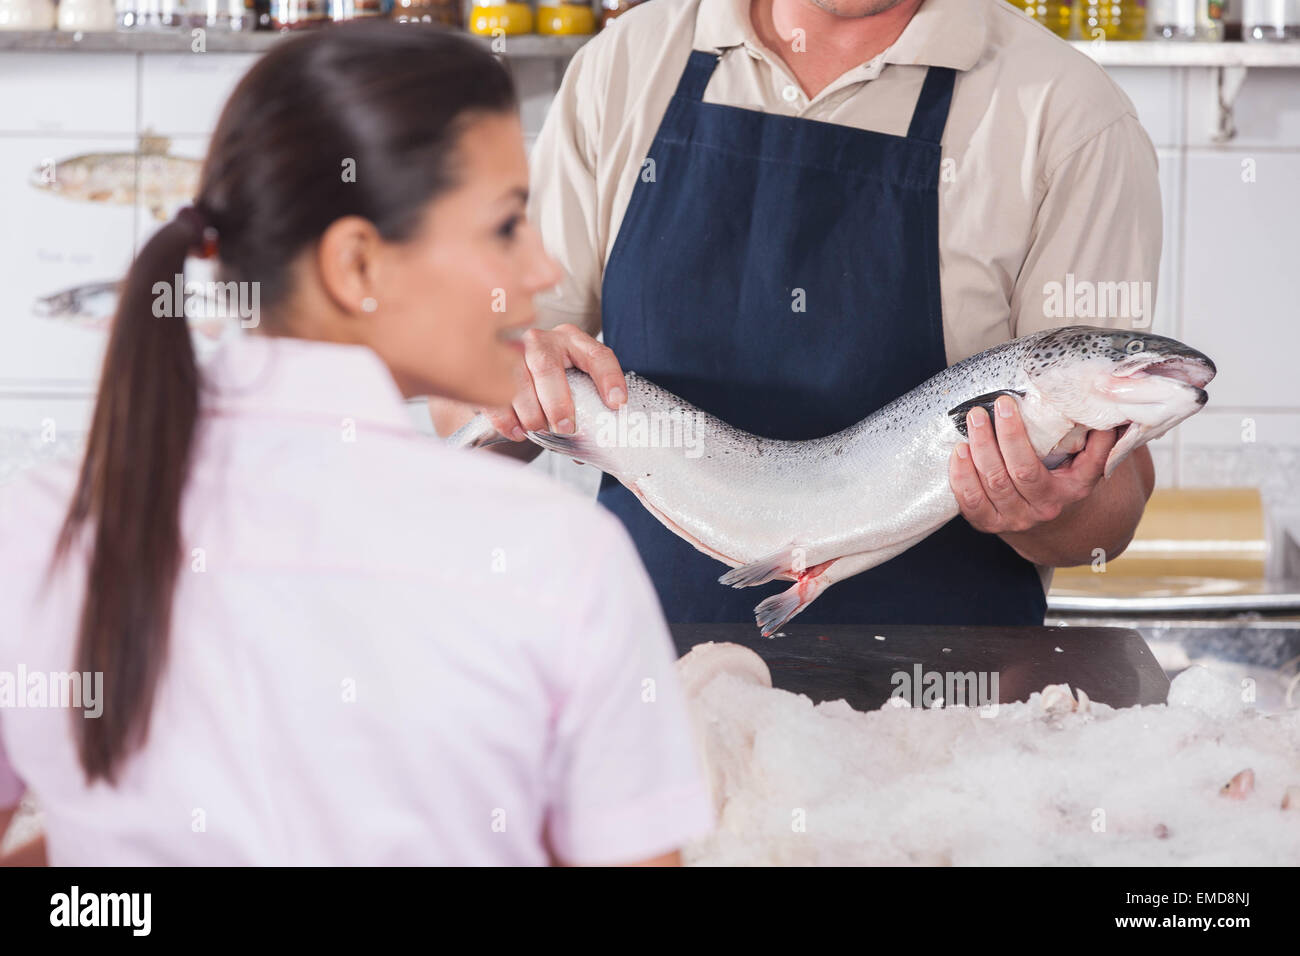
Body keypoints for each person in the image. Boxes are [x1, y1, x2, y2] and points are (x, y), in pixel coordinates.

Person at [0, 23, 712, 866]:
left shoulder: (33, 527)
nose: (543, 271)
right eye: (507, 225)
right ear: (357, 267)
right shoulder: (561, 564)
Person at [432, 0, 1160, 627]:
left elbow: (1109, 515)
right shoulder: (624, 65)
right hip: (655, 685)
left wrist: (1051, 509)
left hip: (944, 718)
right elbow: (468, 394)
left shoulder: (1069, 116)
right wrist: (507, 381)